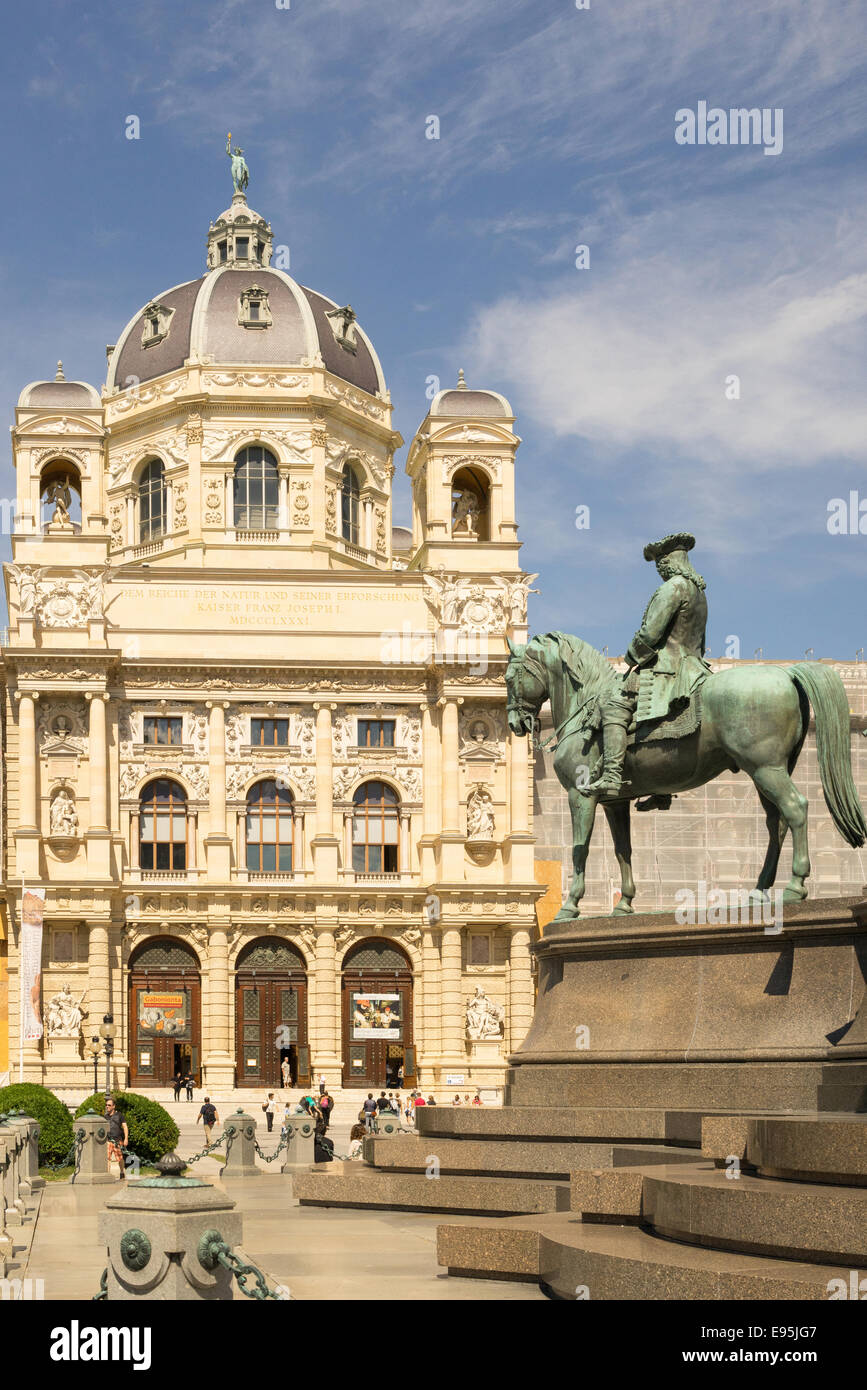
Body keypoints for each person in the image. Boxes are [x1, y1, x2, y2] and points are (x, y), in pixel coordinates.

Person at [105, 1097, 129, 1181]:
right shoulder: (105, 1117)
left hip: (118, 1141)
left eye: (109, 1105)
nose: (107, 1106)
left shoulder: (119, 1115)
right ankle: (107, 1175)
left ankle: (122, 1172)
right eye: (106, 1105)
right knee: (107, 1158)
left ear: (113, 1106)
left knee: (120, 1159)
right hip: (108, 1141)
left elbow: (125, 1127)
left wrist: (126, 1139)